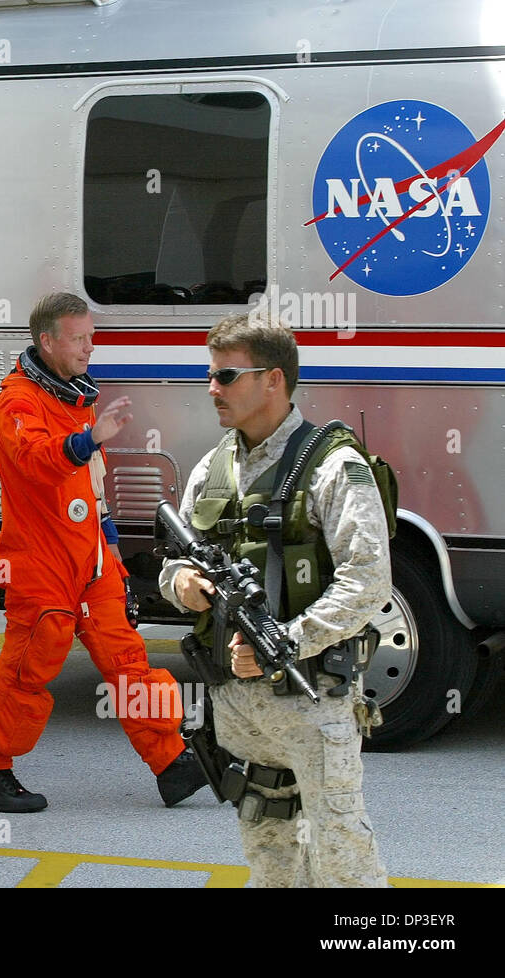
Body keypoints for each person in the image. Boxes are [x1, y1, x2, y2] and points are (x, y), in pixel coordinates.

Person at [159, 313, 389, 887]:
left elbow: (368, 580)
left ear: (274, 380)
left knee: (341, 861)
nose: (212, 389)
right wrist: (180, 583)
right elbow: (175, 561)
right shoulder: (214, 468)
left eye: (227, 375)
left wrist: (287, 640)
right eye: (210, 376)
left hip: (312, 705)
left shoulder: (333, 465)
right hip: (238, 708)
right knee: (269, 861)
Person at [0, 293, 207, 812]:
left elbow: (92, 485)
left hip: (91, 559)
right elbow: (36, 461)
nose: (88, 348)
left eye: (90, 338)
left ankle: (171, 762)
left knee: (126, 657)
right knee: (27, 667)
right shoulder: (17, 403)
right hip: (39, 560)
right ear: (46, 340)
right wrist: (86, 439)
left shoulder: (77, 397)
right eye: (78, 339)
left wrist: (114, 552)